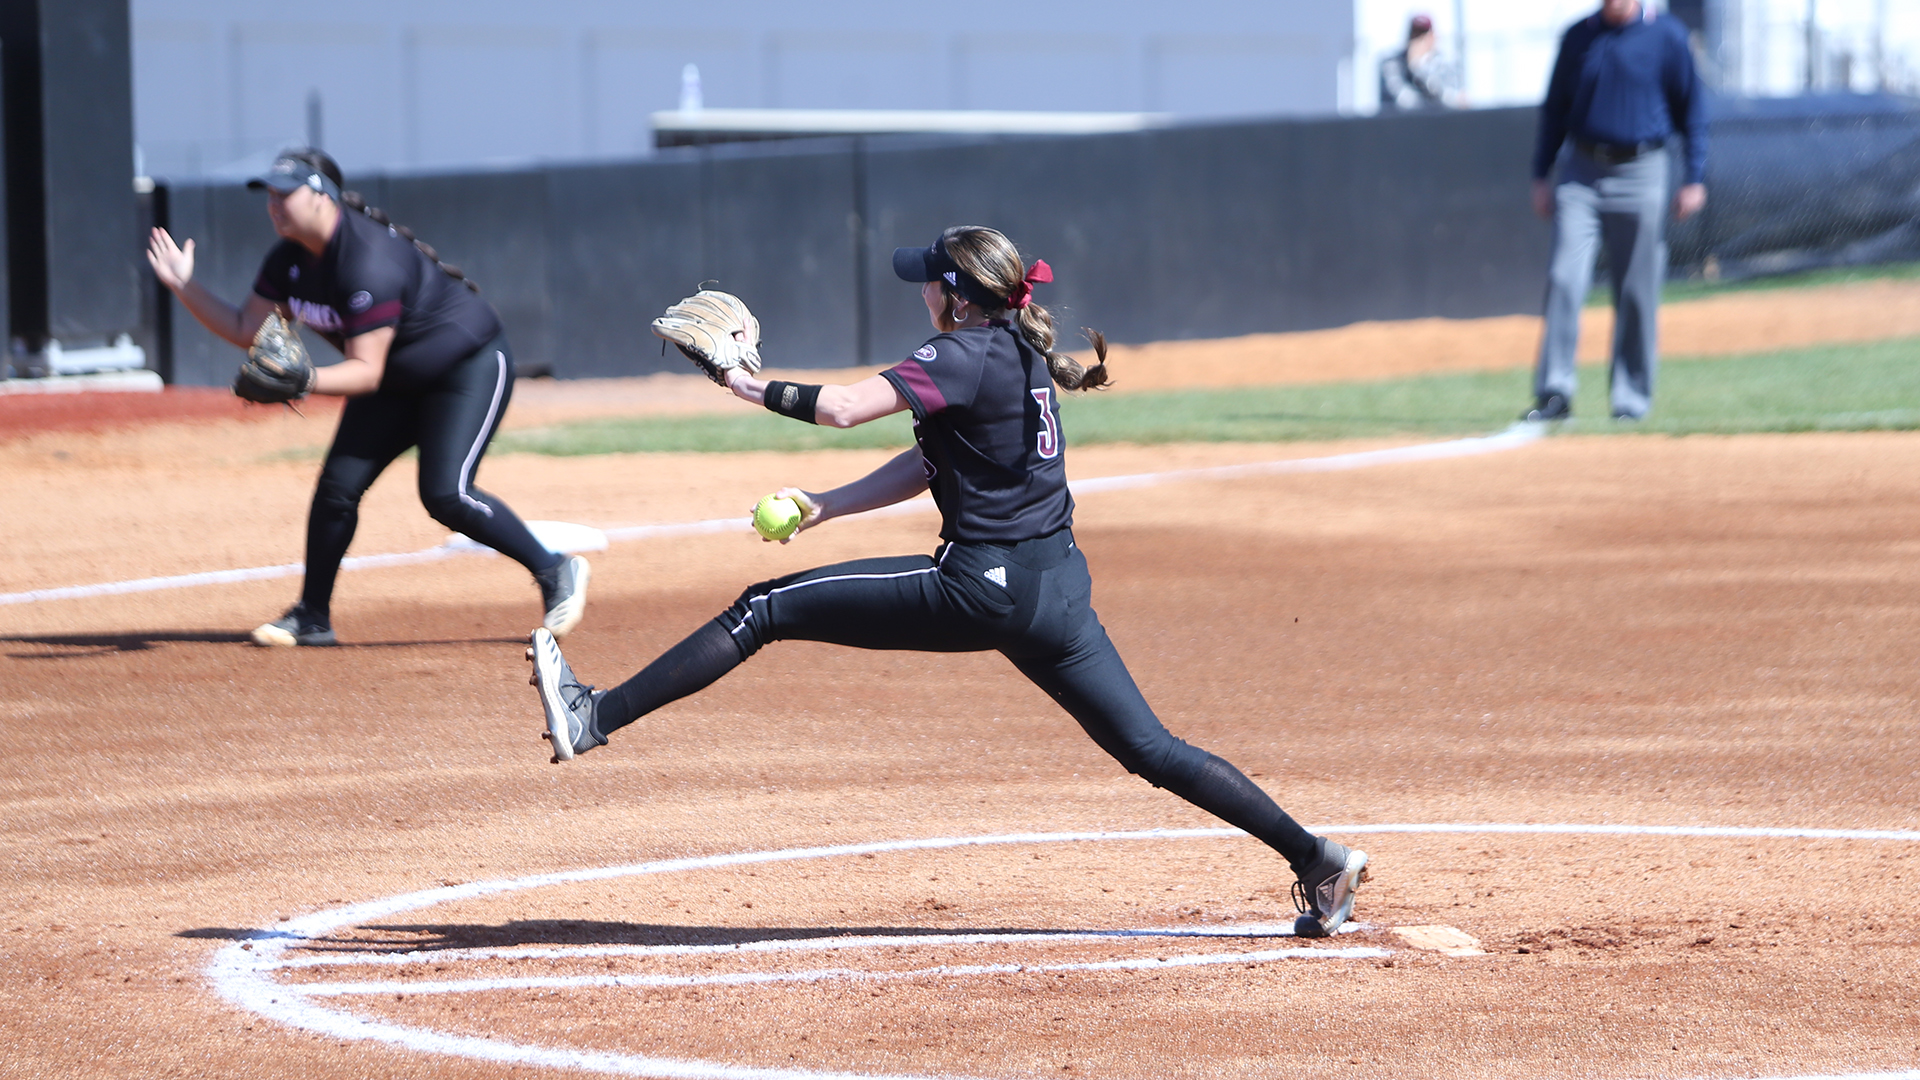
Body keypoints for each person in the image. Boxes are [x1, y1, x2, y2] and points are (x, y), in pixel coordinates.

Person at [525, 225, 1372, 939]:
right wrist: (826, 505)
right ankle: (1317, 860)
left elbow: (845, 410)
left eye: (929, 281)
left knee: (765, 608)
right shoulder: (1019, 350)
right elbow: (930, 461)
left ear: (957, 295)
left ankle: (592, 716)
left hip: (984, 587)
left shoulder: (961, 351)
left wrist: (745, 382)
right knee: (1152, 750)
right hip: (1058, 592)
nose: (920, 290)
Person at [146, 150, 589, 647]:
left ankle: (555, 571)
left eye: (284, 193)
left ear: (321, 196)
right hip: (396, 381)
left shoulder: (366, 260)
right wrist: (184, 286)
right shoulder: (289, 260)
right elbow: (246, 327)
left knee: (446, 493)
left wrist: (303, 382)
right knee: (338, 487)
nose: (273, 205)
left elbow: (365, 370)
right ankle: (313, 616)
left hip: (467, 366)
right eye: (268, 194)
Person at [1523, 0, 1708, 423]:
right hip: (1581, 171)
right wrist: (1540, 173)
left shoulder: (1667, 36)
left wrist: (1694, 178)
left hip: (1642, 170)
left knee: (1636, 289)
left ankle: (1631, 399)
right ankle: (1555, 393)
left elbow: (1693, 112)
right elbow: (1554, 110)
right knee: (1564, 277)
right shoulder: (1579, 36)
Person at [1379, 14, 1460, 113]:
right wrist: (1414, 65)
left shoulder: (1445, 64)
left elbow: (1450, 100)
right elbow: (1401, 100)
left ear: (1432, 38)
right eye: (1415, 35)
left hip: (1440, 124)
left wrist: (1421, 69)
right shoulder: (1392, 63)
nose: (1418, 42)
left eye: (1423, 36)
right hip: (1403, 124)